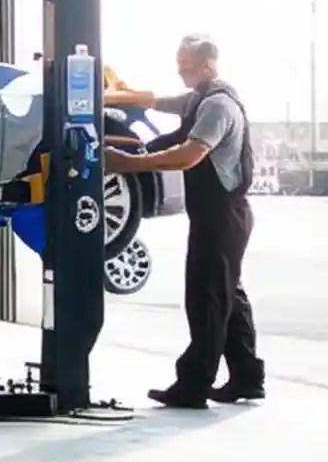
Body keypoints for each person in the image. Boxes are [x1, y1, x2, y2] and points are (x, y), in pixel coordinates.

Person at [103, 34, 265, 409]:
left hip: (224, 215)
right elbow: (152, 101)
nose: (180, 70)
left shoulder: (218, 106)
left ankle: (193, 386)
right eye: (179, 63)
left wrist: (130, 163)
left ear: (208, 66)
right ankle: (247, 377)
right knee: (228, 295)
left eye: (187, 65)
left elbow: (189, 155)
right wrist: (105, 96)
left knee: (207, 297)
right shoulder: (197, 97)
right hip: (218, 215)